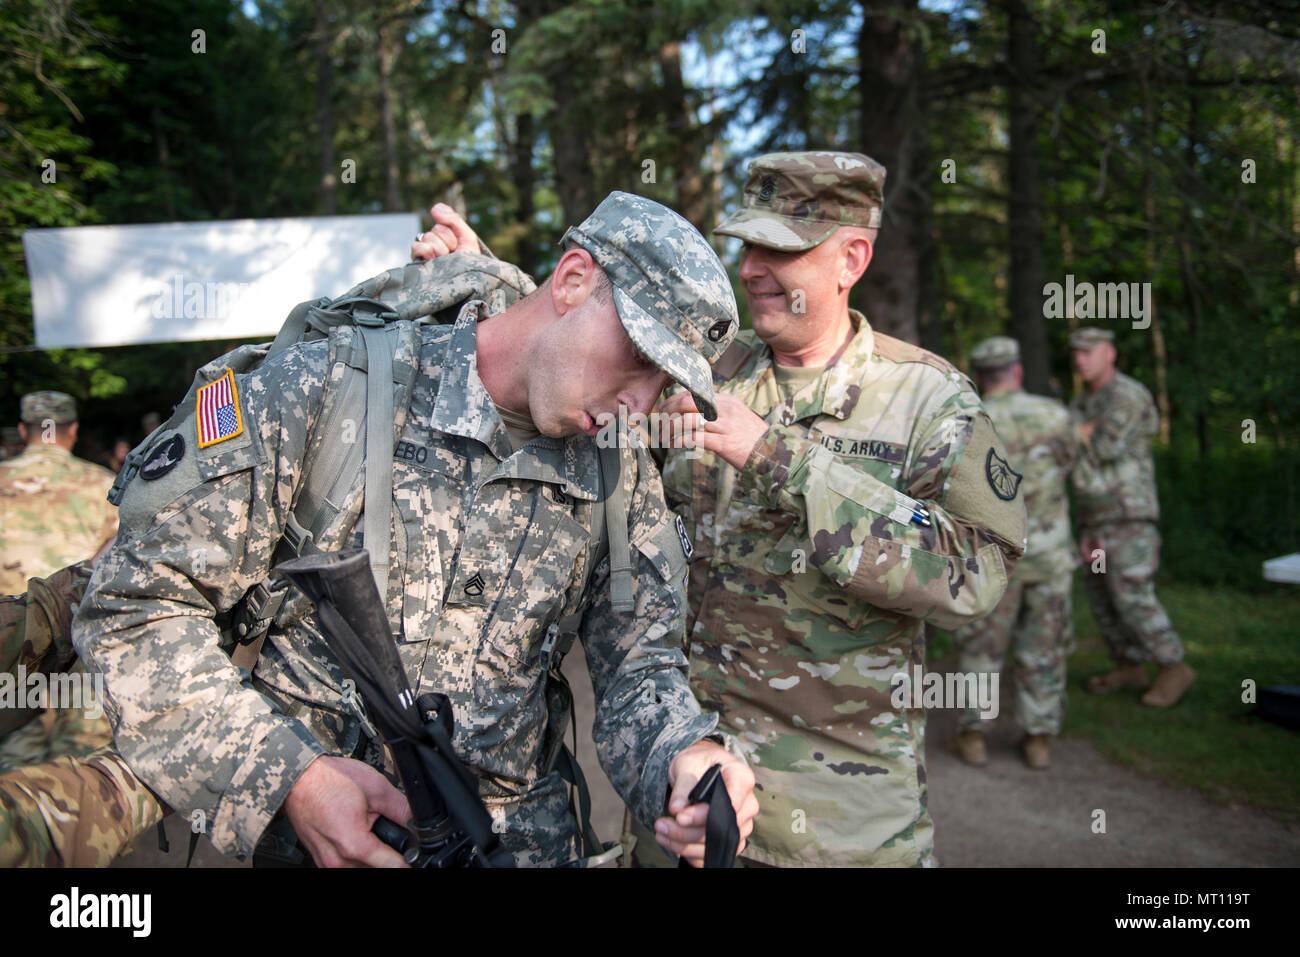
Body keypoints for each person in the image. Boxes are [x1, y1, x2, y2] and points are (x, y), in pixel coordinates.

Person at [73, 192, 758, 868]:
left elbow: (638, 670)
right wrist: (292, 779)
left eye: (661, 380)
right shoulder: (325, 387)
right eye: (638, 355)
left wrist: (684, 756)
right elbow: (136, 608)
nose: (638, 403)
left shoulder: (620, 471)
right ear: (573, 280)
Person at [415, 155, 1027, 868]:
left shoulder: (929, 401)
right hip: (683, 807)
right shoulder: (711, 368)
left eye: (782, 249)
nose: (755, 268)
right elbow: (584, 338)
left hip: (840, 830)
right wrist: (493, 278)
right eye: (748, 245)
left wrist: (780, 457)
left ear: (852, 257)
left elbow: (976, 575)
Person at [952, 337, 1078, 770]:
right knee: (1044, 647)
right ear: (1018, 371)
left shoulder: (969, 419)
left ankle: (974, 733)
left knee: (982, 648)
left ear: (982, 376)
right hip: (1050, 554)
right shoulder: (1058, 416)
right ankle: (1037, 737)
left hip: (993, 557)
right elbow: (1073, 470)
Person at [1069, 327, 1193, 708]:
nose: (1080, 359)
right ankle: (1128, 664)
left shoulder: (1127, 396)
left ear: (1111, 353)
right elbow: (1073, 442)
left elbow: (1104, 446)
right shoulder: (1081, 404)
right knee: (1102, 595)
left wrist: (1073, 434)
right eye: (1075, 353)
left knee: (1131, 593)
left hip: (1127, 518)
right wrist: (1078, 432)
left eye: (1089, 351)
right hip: (1095, 518)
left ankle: (1173, 666)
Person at [0, 392, 118, 774]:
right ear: (73, 431)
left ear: (23, 430)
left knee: (14, 779)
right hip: (81, 647)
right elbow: (121, 565)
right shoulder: (105, 485)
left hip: (13, 644)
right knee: (84, 777)